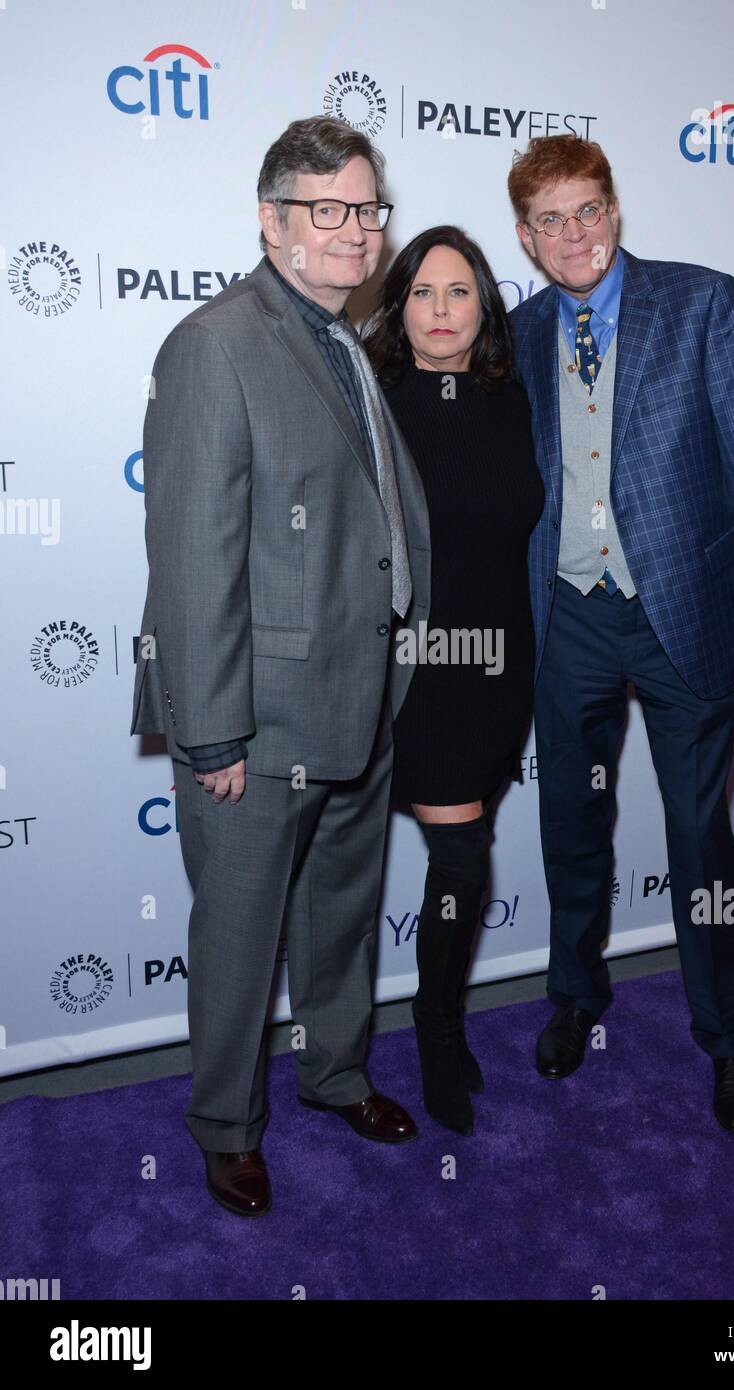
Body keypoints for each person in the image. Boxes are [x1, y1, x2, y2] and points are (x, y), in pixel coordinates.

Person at [131, 115, 431, 1217]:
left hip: (360, 699)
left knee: (341, 916)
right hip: (253, 722)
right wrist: (208, 731)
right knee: (241, 934)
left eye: (366, 208)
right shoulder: (217, 343)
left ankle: (336, 1074)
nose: (356, 231)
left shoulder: (344, 336)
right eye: (329, 210)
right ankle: (223, 1126)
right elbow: (194, 555)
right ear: (272, 222)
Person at [507, 134, 734, 1133]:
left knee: (696, 837)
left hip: (685, 614)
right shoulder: (516, 330)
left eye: (587, 209)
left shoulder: (700, 300)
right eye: (549, 220)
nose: (573, 233)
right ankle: (574, 995)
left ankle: (726, 1040)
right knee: (570, 829)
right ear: (525, 236)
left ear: (614, 211)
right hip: (569, 615)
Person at [364, 227, 544, 1134]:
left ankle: (439, 1017)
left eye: (459, 292)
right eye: (423, 293)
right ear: (397, 306)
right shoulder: (373, 398)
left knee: (462, 859)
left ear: (485, 304)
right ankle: (435, 1030)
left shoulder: (514, 400)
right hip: (415, 667)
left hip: (501, 664)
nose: (440, 311)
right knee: (461, 856)